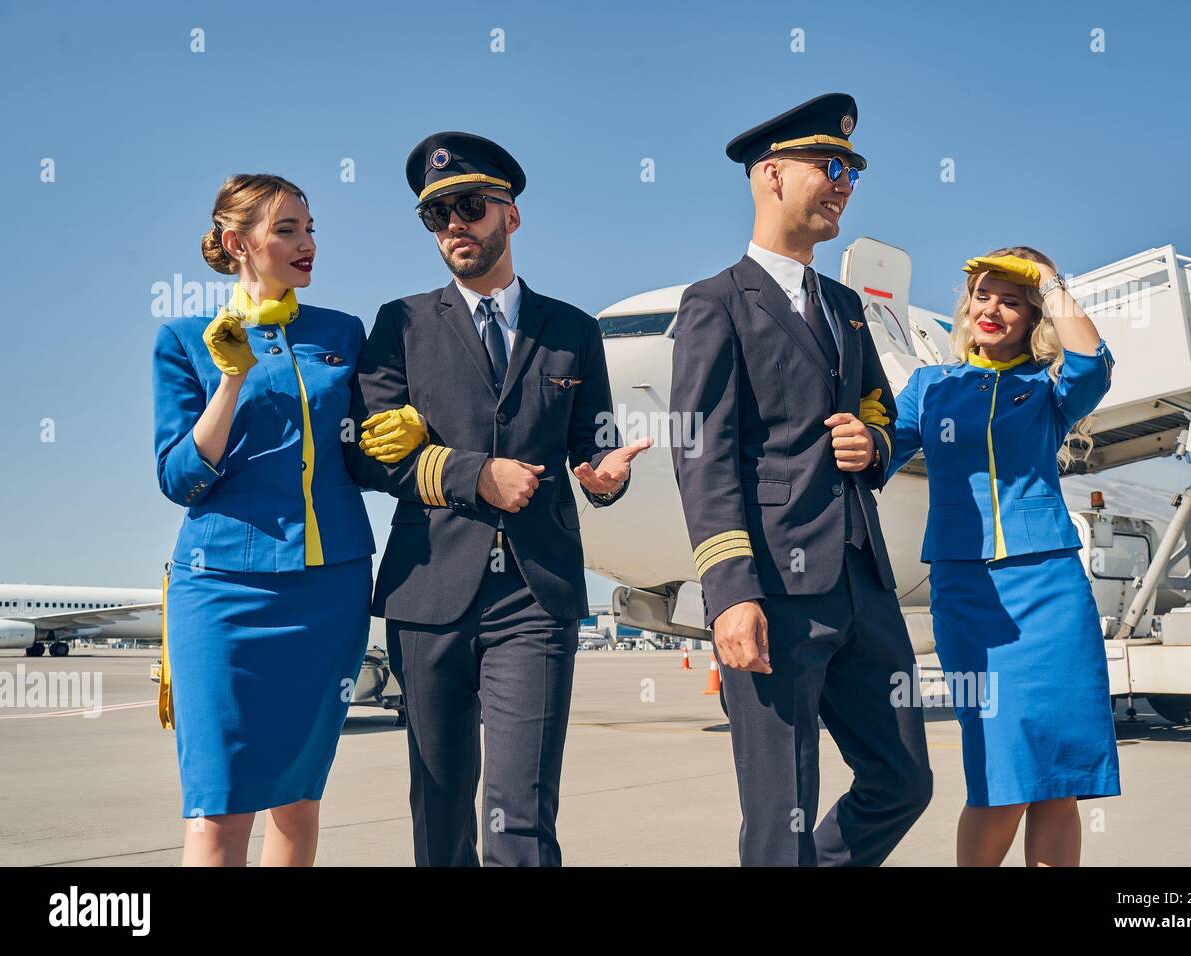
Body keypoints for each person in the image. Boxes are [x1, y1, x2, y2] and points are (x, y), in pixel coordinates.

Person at [345, 131, 650, 866]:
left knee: (519, 816)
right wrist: (475, 475)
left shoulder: (571, 329)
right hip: (429, 593)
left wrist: (609, 477)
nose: (454, 224)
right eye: (437, 214)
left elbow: (594, 443)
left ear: (510, 217)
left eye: (470, 207)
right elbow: (364, 453)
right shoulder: (401, 325)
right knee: (440, 809)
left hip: (534, 595)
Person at [669, 94, 933, 866]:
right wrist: (730, 592)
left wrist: (874, 443)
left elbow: (882, 412)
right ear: (771, 175)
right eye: (832, 166)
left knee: (903, 780)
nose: (846, 182)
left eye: (852, 169)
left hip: (863, 584)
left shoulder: (847, 308)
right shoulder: (716, 302)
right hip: (775, 594)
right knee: (781, 812)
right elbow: (702, 454)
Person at [152, 173, 375, 866]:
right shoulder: (184, 338)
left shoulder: (343, 332)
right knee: (218, 810)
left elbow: (364, 457)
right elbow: (181, 478)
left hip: (330, 590)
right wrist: (231, 378)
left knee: (298, 798)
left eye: (310, 229)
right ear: (235, 243)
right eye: (287, 230)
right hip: (221, 591)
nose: (307, 244)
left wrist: (395, 437)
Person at [887, 247, 1121, 866]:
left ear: (1032, 313)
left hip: (1051, 586)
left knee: (1059, 782)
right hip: (969, 594)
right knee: (998, 773)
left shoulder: (1046, 387)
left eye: (1012, 300)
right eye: (983, 295)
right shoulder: (929, 386)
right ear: (968, 303)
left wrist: (1047, 278)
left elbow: (1091, 363)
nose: (993, 309)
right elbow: (880, 455)